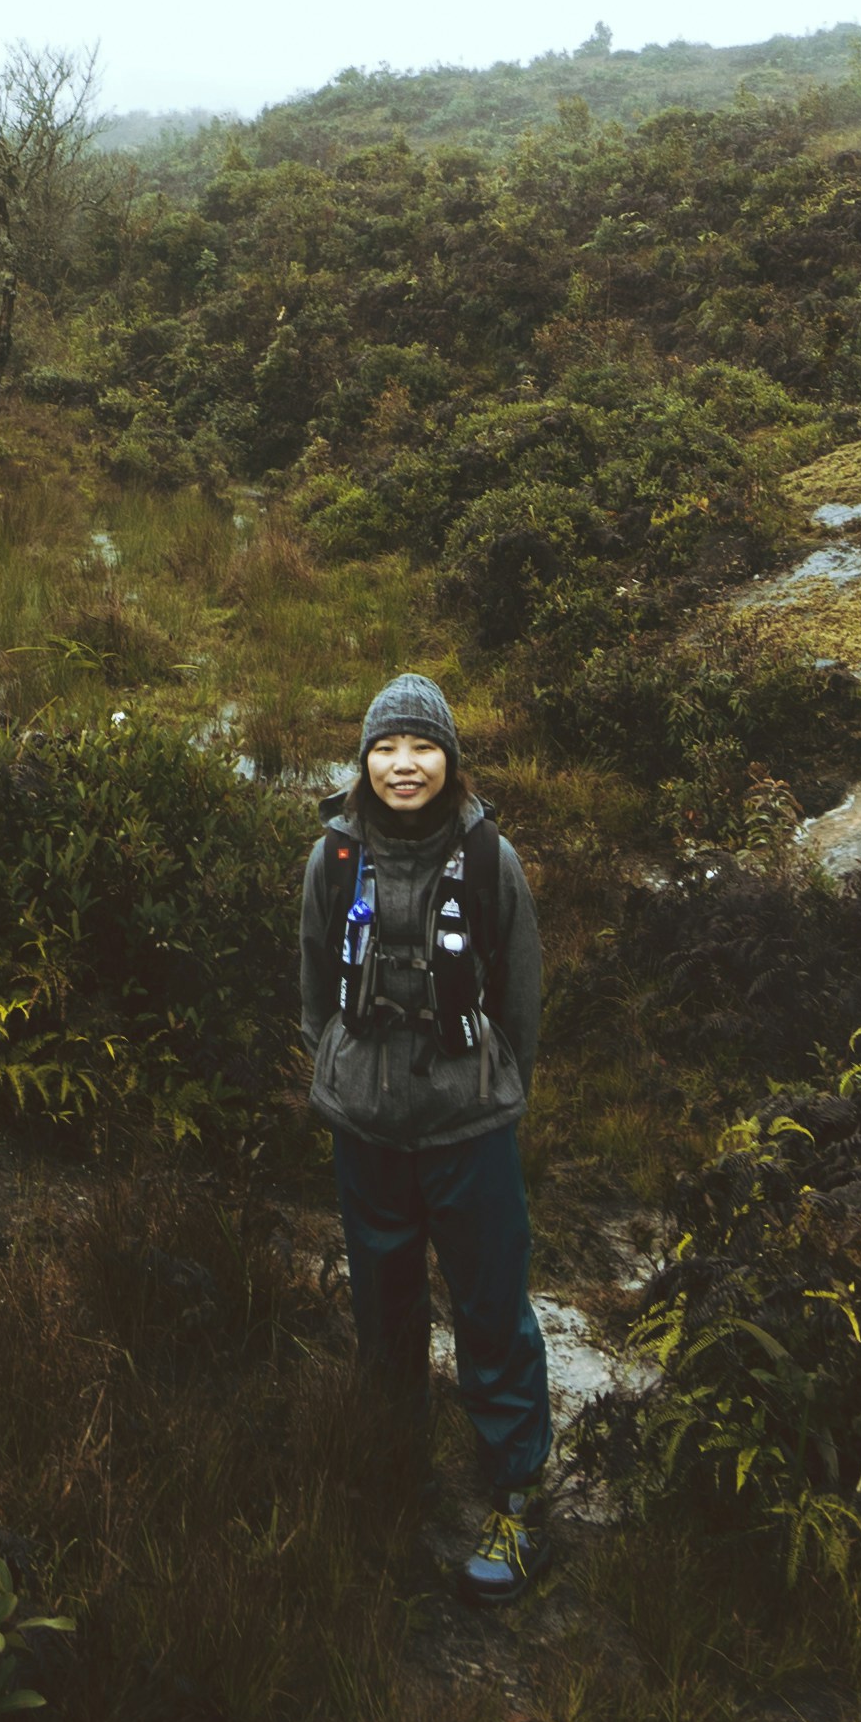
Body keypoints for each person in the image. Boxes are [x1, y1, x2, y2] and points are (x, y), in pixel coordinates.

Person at [296, 671, 554, 1600]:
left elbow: (518, 1006)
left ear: (451, 757)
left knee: (492, 1308)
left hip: (467, 1126)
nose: (404, 766)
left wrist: (487, 1087)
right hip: (365, 1127)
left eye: (422, 746)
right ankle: (391, 1472)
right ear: (364, 760)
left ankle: (519, 1497)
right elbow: (315, 988)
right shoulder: (332, 858)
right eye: (386, 748)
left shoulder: (493, 862)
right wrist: (343, 1076)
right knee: (385, 1309)